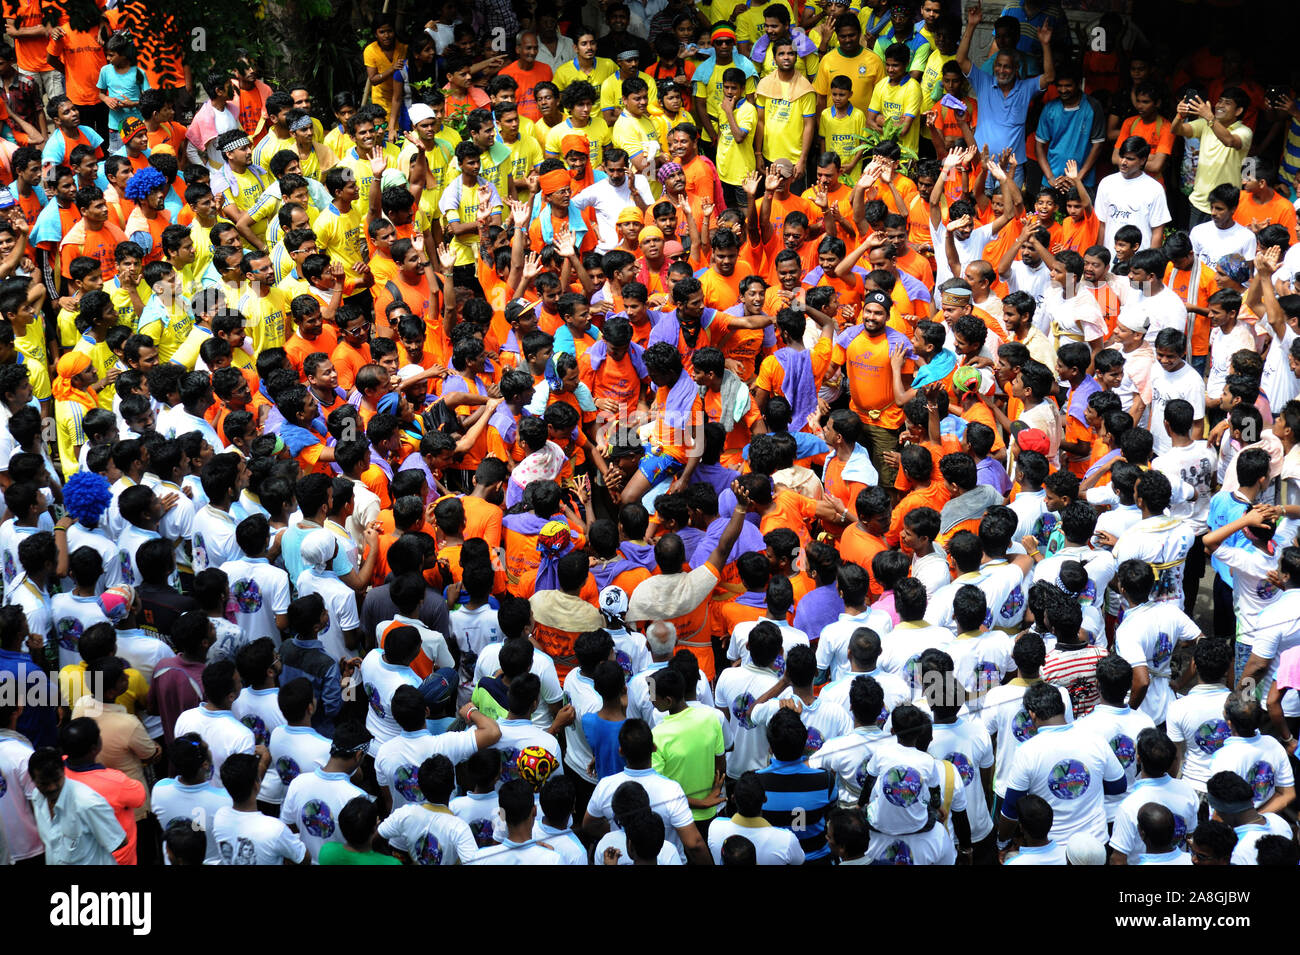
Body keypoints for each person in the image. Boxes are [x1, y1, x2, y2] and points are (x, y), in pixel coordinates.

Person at [28, 746, 126, 866]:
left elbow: (118, 841)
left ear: (63, 771)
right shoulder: (37, 798)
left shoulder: (87, 803)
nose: (52, 787)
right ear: (33, 780)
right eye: (44, 783)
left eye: (56, 779)